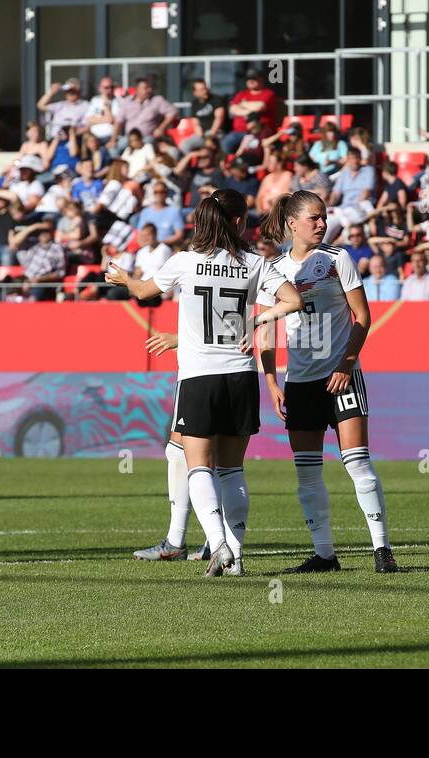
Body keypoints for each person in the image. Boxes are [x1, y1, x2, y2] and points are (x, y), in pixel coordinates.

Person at [106, 192, 302, 577]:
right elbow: (293, 301)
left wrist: (123, 278)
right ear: (239, 222)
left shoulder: (185, 262)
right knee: (232, 470)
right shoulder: (254, 264)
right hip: (241, 376)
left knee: (197, 467)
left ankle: (219, 545)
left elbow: (144, 291)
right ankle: (237, 556)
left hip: (198, 377)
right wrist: (261, 321)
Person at [256, 190, 398, 573]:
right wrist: (271, 383)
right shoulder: (273, 270)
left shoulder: (338, 259)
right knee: (306, 472)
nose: (322, 224)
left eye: (324, 217)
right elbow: (265, 332)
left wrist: (346, 363)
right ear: (292, 223)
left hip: (342, 378)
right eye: (314, 218)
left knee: (358, 464)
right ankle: (324, 555)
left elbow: (362, 317)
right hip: (300, 383)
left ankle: (382, 551)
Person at [225, 69, 277, 154]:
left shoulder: (268, 93)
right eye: (248, 79)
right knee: (226, 143)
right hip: (238, 132)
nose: (251, 81)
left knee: (247, 144)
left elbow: (259, 107)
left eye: (254, 78)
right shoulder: (241, 94)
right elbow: (233, 109)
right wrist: (250, 111)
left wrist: (243, 104)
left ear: (261, 80)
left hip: (258, 132)